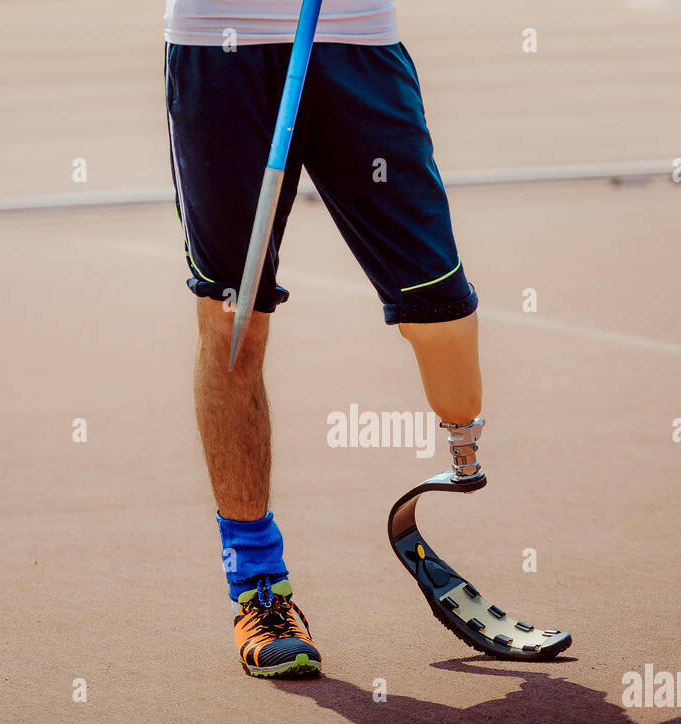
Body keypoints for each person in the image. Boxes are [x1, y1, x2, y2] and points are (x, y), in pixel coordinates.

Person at [166, 0, 485, 677]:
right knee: (234, 317)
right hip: (222, 45)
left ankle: (465, 453)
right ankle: (259, 589)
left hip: (355, 41)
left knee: (439, 307)